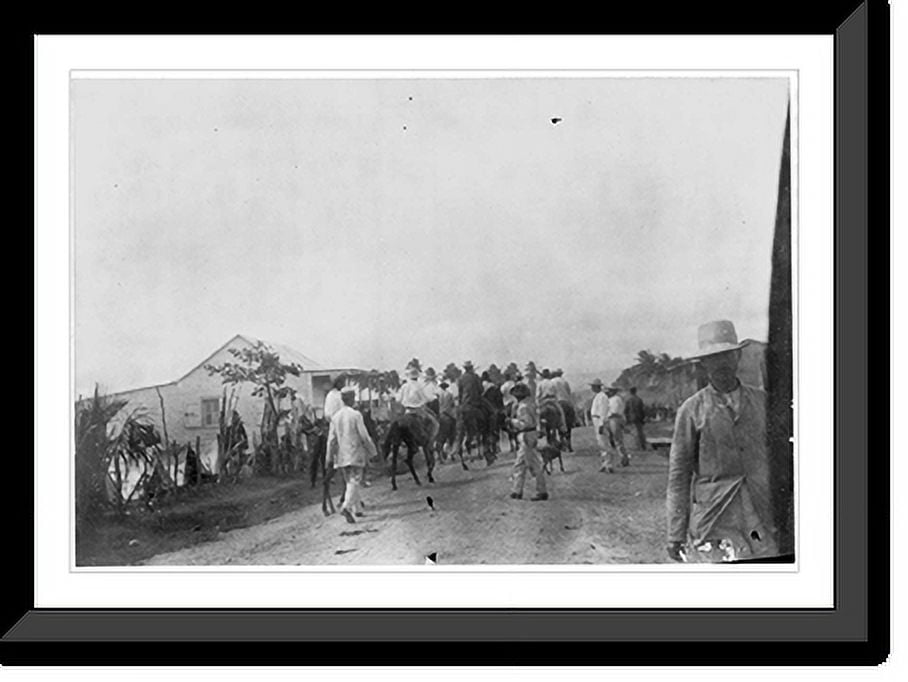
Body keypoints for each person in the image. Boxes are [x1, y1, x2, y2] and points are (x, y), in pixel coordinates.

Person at [666, 319, 778, 563]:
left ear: (737, 357)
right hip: (714, 518)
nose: (722, 363)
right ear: (704, 364)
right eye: (714, 358)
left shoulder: (762, 402)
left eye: (727, 355)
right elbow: (679, 476)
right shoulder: (691, 410)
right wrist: (675, 533)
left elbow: (783, 460)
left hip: (761, 514)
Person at [326, 386, 378, 524]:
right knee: (355, 480)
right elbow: (364, 436)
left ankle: (357, 509)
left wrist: (329, 457)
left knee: (350, 481)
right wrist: (372, 451)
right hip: (355, 452)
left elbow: (331, 440)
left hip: (341, 455)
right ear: (352, 399)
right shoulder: (356, 415)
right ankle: (347, 507)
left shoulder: (335, 417)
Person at [507, 382, 548, 501]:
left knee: (533, 464)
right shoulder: (531, 404)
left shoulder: (523, 407)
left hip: (526, 435)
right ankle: (516, 490)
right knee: (519, 464)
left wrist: (512, 422)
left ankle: (541, 491)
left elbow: (526, 423)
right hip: (529, 435)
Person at [396, 365, 440, 447]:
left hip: (406, 411)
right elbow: (426, 398)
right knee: (435, 424)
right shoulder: (419, 386)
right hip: (418, 411)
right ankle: (429, 442)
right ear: (417, 377)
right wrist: (435, 397)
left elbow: (398, 399)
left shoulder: (404, 386)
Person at [589, 379, 615, 473]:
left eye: (593, 386)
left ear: (597, 387)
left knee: (604, 443)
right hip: (596, 419)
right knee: (601, 443)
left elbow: (603, 411)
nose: (592, 388)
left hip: (599, 420)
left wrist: (601, 424)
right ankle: (605, 464)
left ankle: (609, 464)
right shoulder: (598, 396)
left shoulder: (602, 397)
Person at [605, 385, 630, 467]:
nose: (608, 392)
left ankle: (624, 460)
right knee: (616, 440)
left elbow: (614, 412)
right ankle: (623, 459)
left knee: (618, 440)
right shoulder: (613, 399)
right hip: (614, 419)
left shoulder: (615, 399)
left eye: (609, 391)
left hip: (614, 419)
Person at [624, 386, 648, 451]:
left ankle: (637, 446)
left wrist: (627, 418)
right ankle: (642, 446)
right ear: (635, 391)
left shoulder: (628, 400)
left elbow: (626, 411)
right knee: (640, 432)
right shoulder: (639, 399)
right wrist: (643, 418)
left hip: (631, 418)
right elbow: (642, 410)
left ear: (630, 392)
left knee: (633, 433)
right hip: (638, 418)